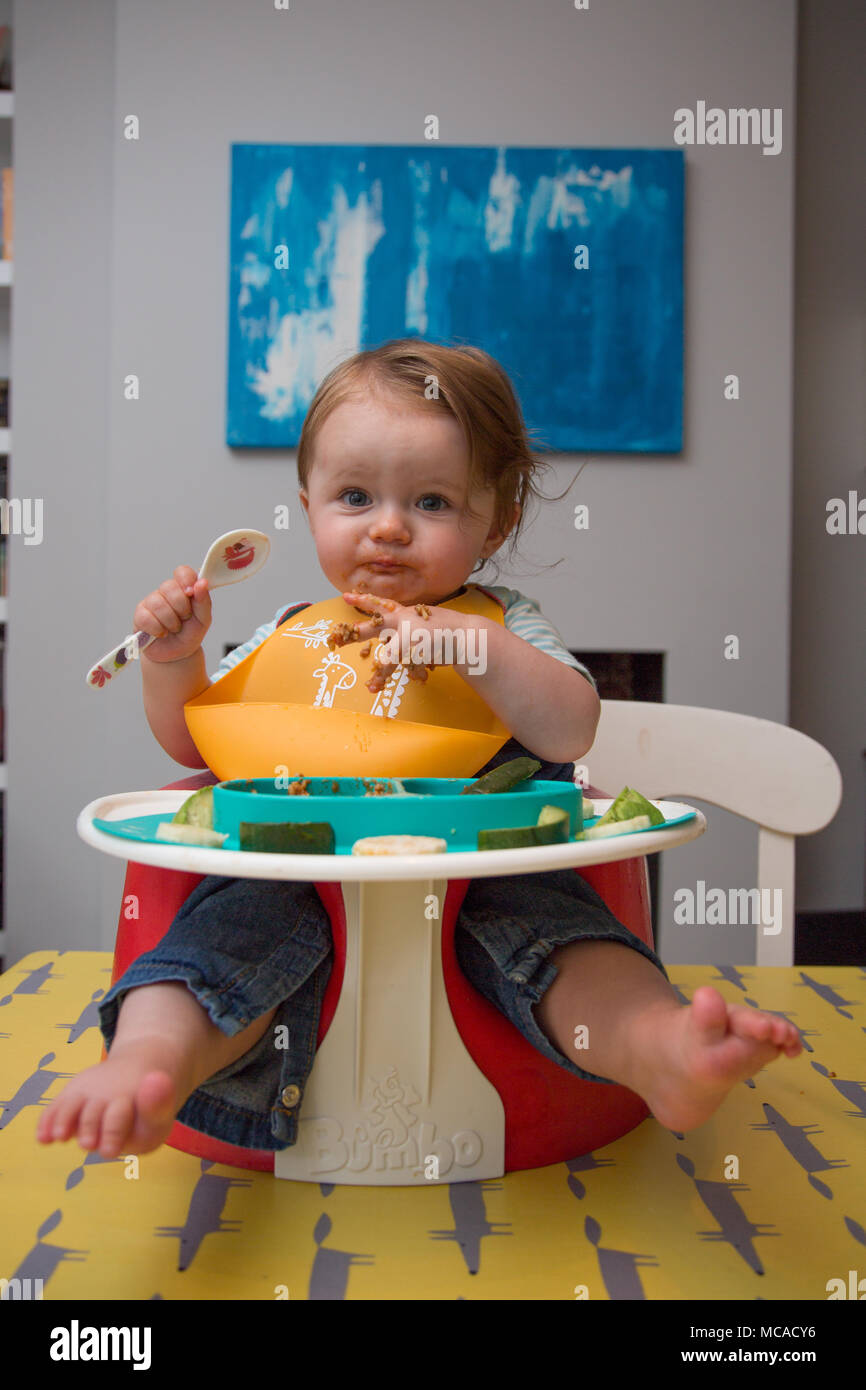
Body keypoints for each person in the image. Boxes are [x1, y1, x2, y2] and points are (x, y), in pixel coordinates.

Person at [37, 339, 801, 1160]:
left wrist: (478, 650)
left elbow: (571, 727)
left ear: (496, 518)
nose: (390, 527)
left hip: (485, 876)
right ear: (309, 505)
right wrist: (175, 658)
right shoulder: (293, 630)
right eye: (356, 496)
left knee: (563, 941)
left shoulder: (503, 622)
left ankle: (662, 1050)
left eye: (433, 503)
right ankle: (151, 1070)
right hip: (293, 872)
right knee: (218, 938)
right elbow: (199, 738)